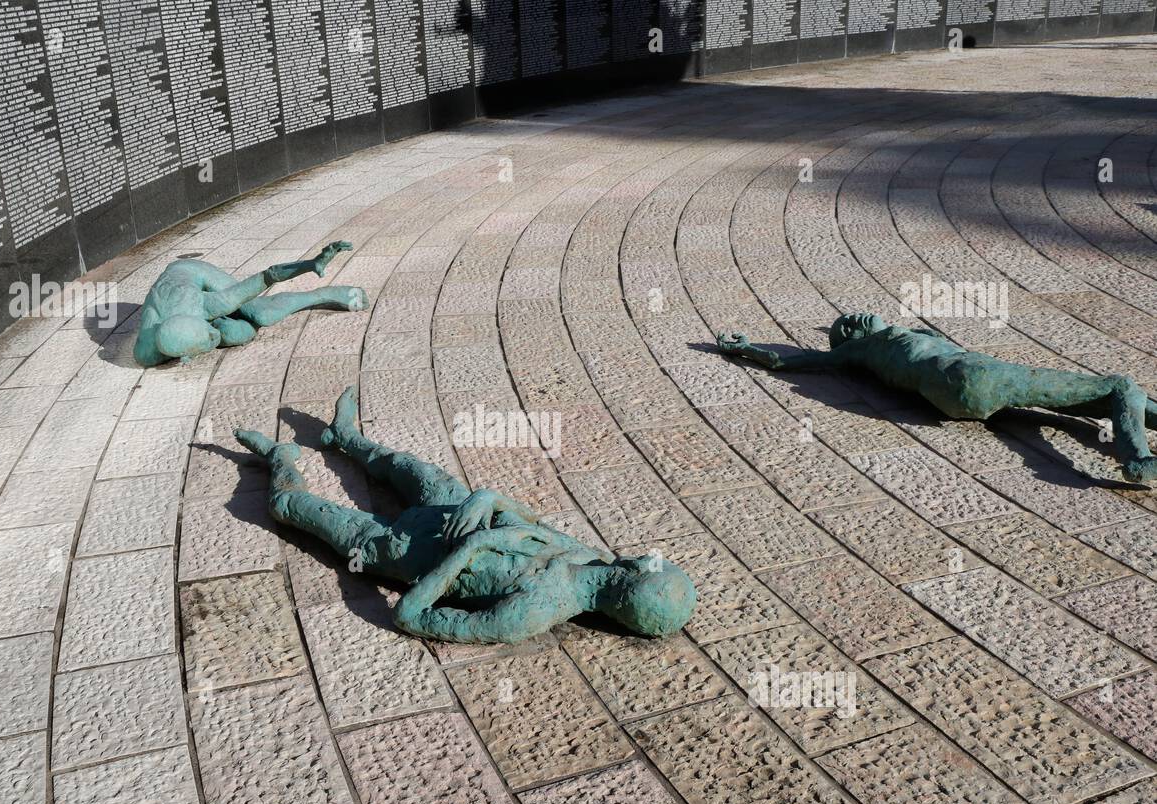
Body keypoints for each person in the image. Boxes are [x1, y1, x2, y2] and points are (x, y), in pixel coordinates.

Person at [235, 387, 697, 644]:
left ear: (627, 586)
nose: (639, 557)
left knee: (288, 506)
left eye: (643, 566)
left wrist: (468, 550)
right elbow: (530, 519)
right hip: (455, 507)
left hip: (401, 549)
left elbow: (410, 615)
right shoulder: (589, 558)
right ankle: (346, 438)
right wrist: (491, 499)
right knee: (407, 466)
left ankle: (280, 458)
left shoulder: (530, 614)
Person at [718, 312, 1157, 483]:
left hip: (953, 396)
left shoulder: (882, 349)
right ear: (851, 340)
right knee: (1117, 385)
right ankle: (1135, 458)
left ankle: (1136, 437)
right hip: (975, 375)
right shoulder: (869, 346)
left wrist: (747, 349)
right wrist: (748, 347)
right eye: (849, 323)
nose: (857, 316)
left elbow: (797, 363)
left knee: (1093, 401)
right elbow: (795, 362)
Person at [133, 241, 366, 367]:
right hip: (175, 307)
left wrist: (310, 264)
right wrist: (204, 341)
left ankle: (320, 295)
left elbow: (268, 275)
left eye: (208, 330)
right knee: (236, 333)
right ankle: (230, 327)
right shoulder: (146, 352)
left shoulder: (207, 304)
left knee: (260, 313)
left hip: (191, 273)